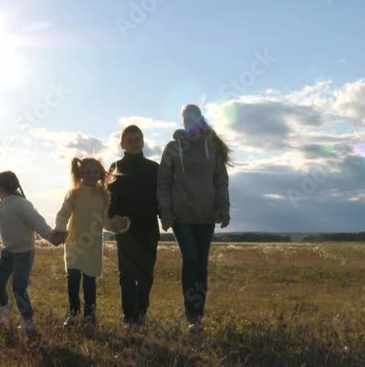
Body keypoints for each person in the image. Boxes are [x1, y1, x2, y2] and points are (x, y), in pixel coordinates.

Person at [157, 104, 232, 333]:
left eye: (194, 117)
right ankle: (191, 314)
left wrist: (223, 208)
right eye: (185, 118)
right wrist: (166, 213)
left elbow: (220, 180)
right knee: (191, 260)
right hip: (182, 216)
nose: (190, 122)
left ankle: (198, 315)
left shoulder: (213, 147)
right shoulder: (172, 148)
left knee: (202, 264)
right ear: (182, 122)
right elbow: (163, 183)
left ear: (201, 119)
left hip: (206, 216)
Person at [0, 170, 60, 337]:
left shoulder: (21, 204)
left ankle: (28, 320)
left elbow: (36, 222)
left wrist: (51, 237)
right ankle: (4, 309)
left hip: (24, 253)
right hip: (8, 252)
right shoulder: (0, 206)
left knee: (18, 286)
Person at [53, 157, 129, 328]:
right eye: (87, 172)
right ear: (80, 174)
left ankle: (89, 316)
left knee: (89, 283)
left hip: (93, 246)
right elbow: (62, 214)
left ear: (100, 173)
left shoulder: (104, 196)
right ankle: (73, 314)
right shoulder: (74, 194)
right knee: (72, 279)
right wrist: (60, 229)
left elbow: (105, 221)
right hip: (73, 243)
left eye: (95, 172)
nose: (92, 175)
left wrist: (117, 226)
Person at [107, 125, 161, 329]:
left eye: (137, 139)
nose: (134, 142)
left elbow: (160, 197)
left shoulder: (154, 168)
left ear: (143, 141)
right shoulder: (115, 167)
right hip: (125, 231)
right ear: (122, 144)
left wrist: (165, 216)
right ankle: (129, 316)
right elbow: (109, 199)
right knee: (127, 274)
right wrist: (112, 219)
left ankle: (141, 313)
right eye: (130, 140)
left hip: (148, 228)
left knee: (146, 273)